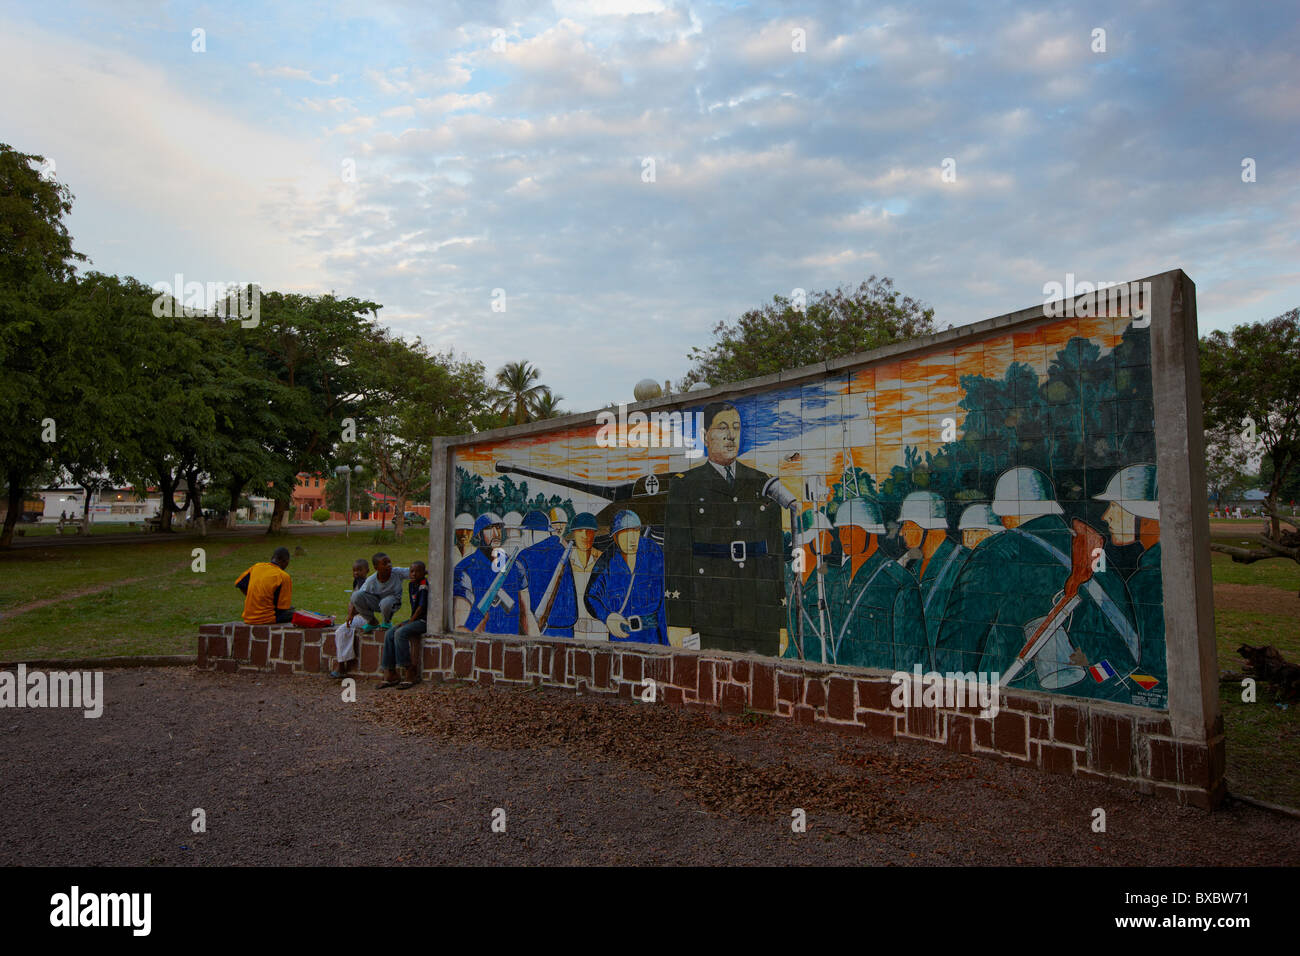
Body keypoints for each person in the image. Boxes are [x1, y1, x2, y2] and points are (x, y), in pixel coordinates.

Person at [933, 467, 1138, 700]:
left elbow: (957, 646)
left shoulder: (996, 553)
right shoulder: (1090, 549)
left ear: (1004, 512)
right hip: (1103, 688)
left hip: (1018, 702)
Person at [664, 401, 785, 655]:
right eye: (722, 428)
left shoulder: (763, 483)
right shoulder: (685, 486)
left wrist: (781, 620)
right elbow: (676, 558)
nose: (731, 435)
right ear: (704, 436)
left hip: (757, 609)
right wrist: (678, 620)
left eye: (736, 428)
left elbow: (775, 557)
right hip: (708, 609)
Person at [824, 498, 927, 670]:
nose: (844, 536)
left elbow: (911, 658)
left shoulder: (899, 583)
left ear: (871, 531)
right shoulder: (840, 577)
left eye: (852, 529)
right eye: (841, 529)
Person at [1096, 463, 1166, 702]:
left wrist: (1096, 671)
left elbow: (1146, 671)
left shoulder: (1148, 582)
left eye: (1116, 506)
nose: (1106, 516)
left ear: (1144, 514)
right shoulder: (1154, 569)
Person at [897, 490, 965, 653]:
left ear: (925, 526)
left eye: (907, 524)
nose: (901, 532)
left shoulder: (963, 563)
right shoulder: (913, 568)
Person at [586, 510, 667, 644]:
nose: (632, 539)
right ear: (615, 537)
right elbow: (591, 596)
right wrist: (607, 617)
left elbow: (664, 601)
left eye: (635, 531)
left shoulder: (653, 552)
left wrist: (666, 642)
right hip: (620, 634)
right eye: (626, 533)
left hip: (651, 635)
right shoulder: (608, 559)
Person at [453, 513, 538, 634]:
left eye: (498, 527)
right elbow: (460, 625)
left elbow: (526, 614)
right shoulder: (464, 569)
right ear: (479, 534)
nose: (496, 534)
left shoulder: (515, 566)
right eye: (489, 529)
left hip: (513, 644)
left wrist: (535, 643)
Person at [784, 509, 834, 663]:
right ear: (810, 539)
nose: (831, 538)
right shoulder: (785, 573)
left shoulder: (832, 577)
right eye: (825, 533)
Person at [379, 561, 429, 689]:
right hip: (414, 619)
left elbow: (421, 607)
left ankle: (410, 670)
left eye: (417, 571)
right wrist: (408, 621)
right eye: (411, 571)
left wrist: (410, 621)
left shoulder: (423, 586)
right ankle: (390, 672)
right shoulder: (412, 584)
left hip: (423, 621)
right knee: (390, 632)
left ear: (423, 573)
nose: (413, 574)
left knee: (400, 633)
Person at [350, 552, 410, 633]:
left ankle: (386, 622)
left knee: (386, 602)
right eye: (385, 563)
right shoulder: (371, 581)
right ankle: (372, 621)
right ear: (376, 568)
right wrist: (351, 614)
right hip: (377, 603)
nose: (389, 565)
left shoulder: (397, 572)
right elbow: (358, 597)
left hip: (393, 602)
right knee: (355, 596)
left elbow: (413, 571)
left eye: (389, 562)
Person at [330, 558, 370, 679]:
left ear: (367, 571)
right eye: (354, 570)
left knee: (341, 631)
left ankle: (341, 665)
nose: (356, 573)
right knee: (345, 630)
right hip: (357, 616)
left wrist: (351, 614)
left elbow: (358, 604)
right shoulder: (357, 582)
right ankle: (342, 662)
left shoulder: (365, 584)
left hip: (364, 617)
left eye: (359, 570)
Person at [234, 547, 294, 625]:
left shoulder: (257, 567)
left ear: (272, 558)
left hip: (249, 618)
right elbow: (282, 608)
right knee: (294, 613)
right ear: (285, 561)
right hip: (267, 618)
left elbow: (240, 584)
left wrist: (256, 598)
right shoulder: (283, 576)